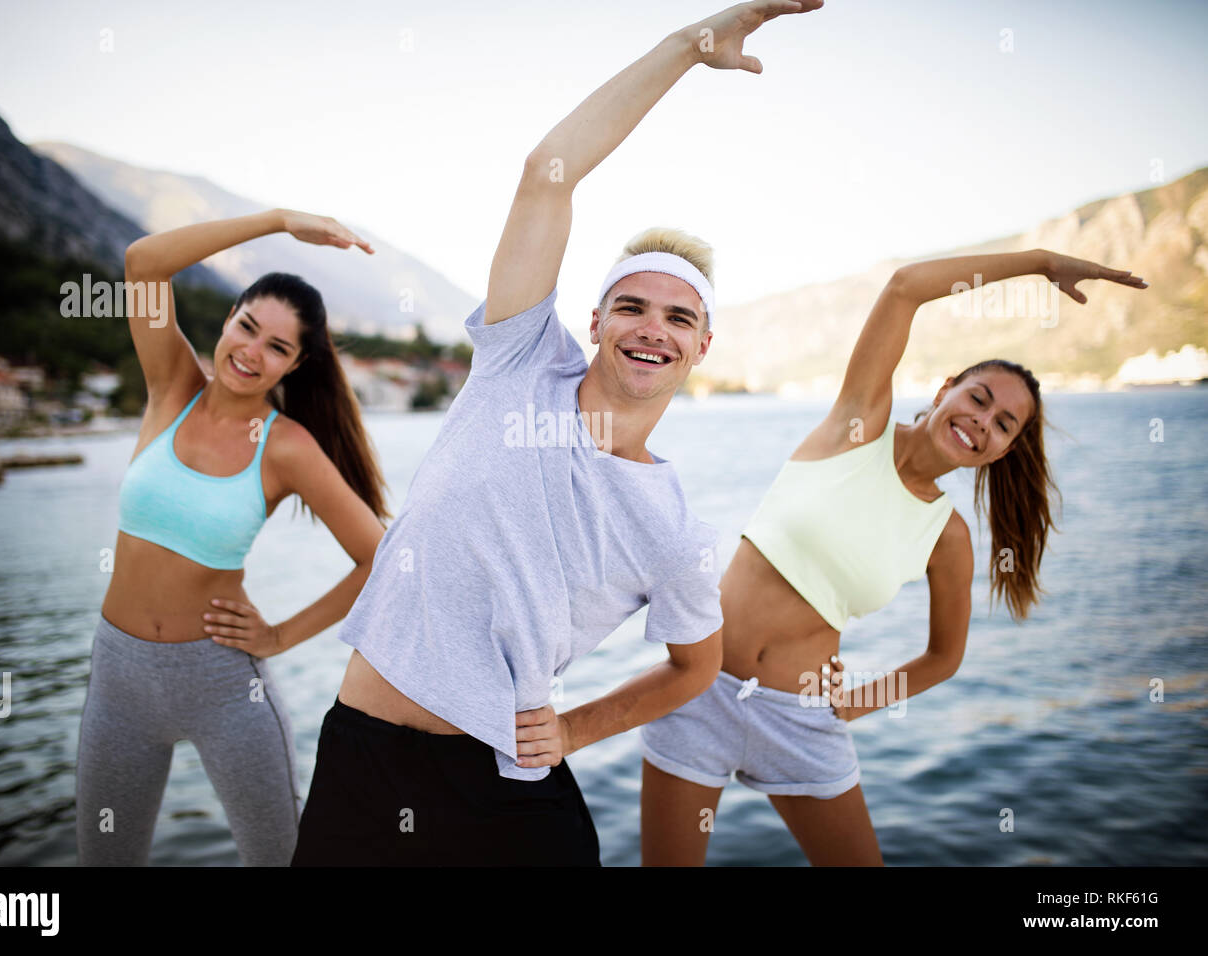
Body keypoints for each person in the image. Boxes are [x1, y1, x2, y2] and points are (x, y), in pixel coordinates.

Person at [290, 0, 825, 867]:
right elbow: (548, 171)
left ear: (702, 345)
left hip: (508, 791)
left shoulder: (676, 529)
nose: (654, 328)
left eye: (679, 317)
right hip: (365, 756)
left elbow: (695, 667)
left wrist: (576, 727)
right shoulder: (518, 361)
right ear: (598, 319)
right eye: (632, 307)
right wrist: (690, 48)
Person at [640, 249, 1148, 865]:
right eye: (979, 398)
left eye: (1004, 424)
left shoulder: (947, 536)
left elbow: (943, 657)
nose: (982, 422)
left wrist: (858, 700)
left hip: (802, 718)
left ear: (1002, 451)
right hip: (698, 687)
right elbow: (905, 287)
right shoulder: (859, 425)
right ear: (945, 390)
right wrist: (1040, 262)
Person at [76, 208, 390, 866]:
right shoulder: (171, 386)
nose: (251, 352)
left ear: (296, 364)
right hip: (119, 679)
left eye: (277, 347)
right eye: (246, 326)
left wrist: (280, 635)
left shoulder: (288, 448)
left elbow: (381, 559)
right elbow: (144, 263)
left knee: (278, 859)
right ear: (225, 321)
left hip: (224, 686)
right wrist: (277, 222)